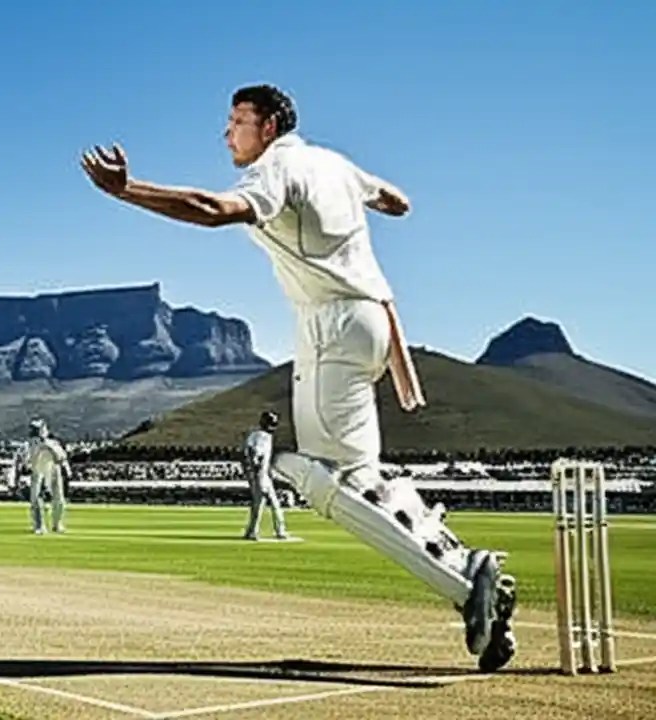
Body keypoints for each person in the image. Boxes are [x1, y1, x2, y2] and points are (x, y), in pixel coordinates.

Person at [78, 83, 516, 672]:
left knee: (323, 478)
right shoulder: (332, 163)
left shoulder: (277, 167)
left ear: (270, 125)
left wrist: (126, 189)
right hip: (368, 321)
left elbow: (212, 210)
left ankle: (465, 582)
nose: (227, 133)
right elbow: (398, 200)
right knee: (361, 474)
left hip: (333, 323)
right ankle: (460, 563)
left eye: (237, 120)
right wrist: (362, 205)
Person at [10, 418, 72, 534]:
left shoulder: (53, 443)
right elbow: (21, 462)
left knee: (59, 499)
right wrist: (16, 479)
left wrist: (48, 447)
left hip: (53, 471)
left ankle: (57, 524)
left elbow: (60, 458)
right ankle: (39, 526)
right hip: (37, 472)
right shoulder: (27, 446)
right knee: (36, 499)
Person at [242, 410, 288, 541]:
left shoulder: (255, 435)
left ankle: (258, 530)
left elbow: (248, 451)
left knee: (267, 502)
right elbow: (255, 453)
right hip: (260, 473)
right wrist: (257, 468)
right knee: (262, 503)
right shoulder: (263, 436)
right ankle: (256, 531)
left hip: (260, 473)